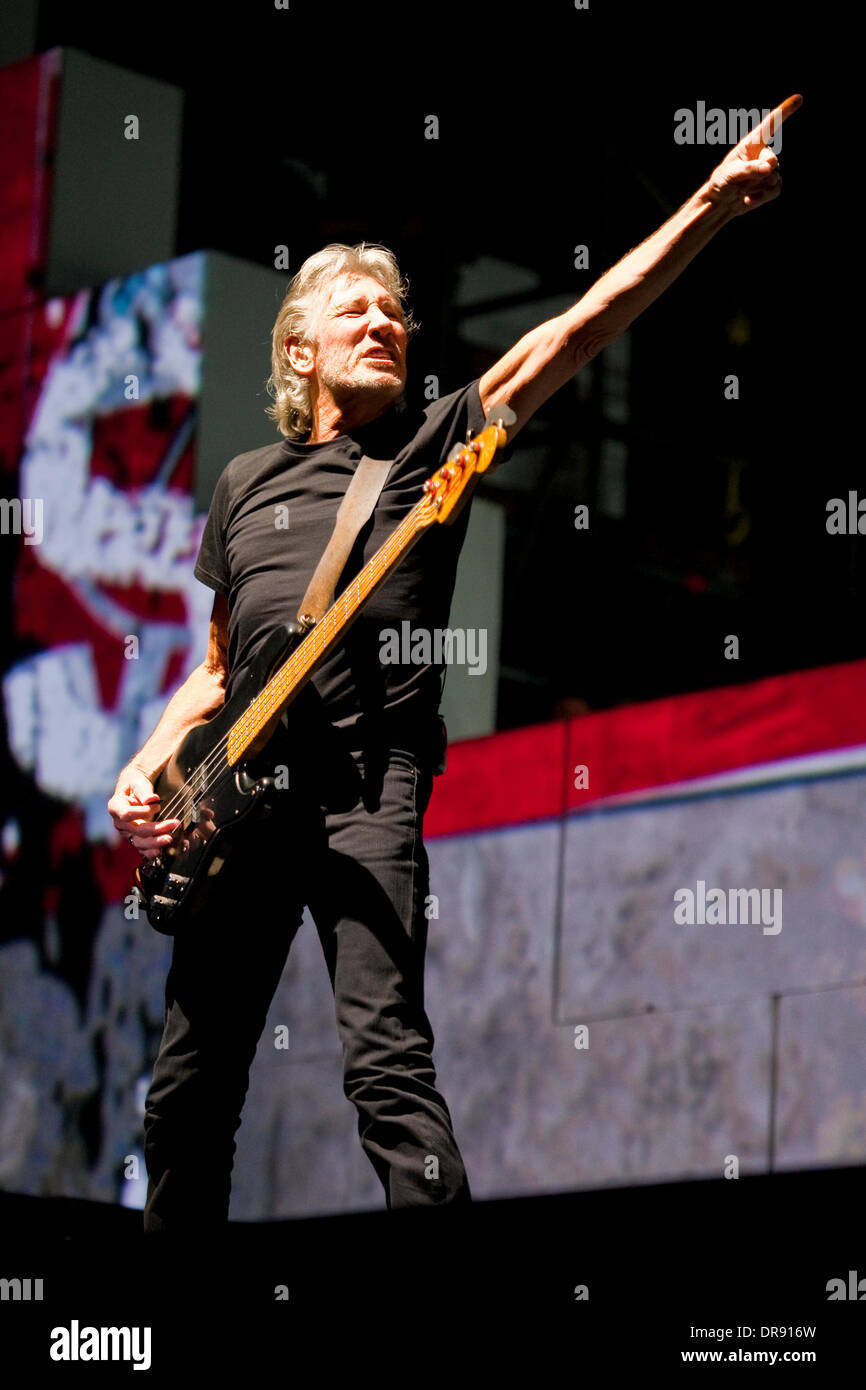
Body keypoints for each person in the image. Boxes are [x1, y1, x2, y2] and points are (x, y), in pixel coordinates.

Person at [107, 98, 799, 1232]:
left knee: (387, 1072)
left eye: (394, 309)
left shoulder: (433, 444)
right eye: (356, 308)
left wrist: (707, 206)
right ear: (299, 347)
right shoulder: (240, 483)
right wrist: (145, 766)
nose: (386, 320)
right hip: (238, 802)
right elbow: (222, 668)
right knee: (186, 1098)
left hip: (366, 791)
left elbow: (572, 329)